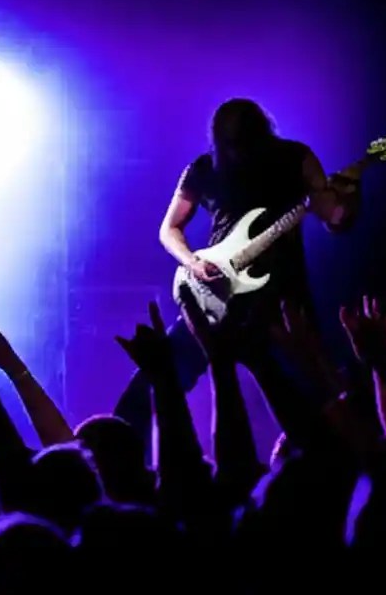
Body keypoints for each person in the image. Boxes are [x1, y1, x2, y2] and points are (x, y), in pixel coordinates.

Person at [113, 97, 361, 454]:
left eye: (245, 142)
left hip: (279, 301)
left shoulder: (295, 158)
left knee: (311, 399)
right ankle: (111, 458)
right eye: (231, 144)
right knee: (154, 383)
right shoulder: (203, 168)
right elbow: (169, 229)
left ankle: (333, 468)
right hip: (217, 295)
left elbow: (334, 219)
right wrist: (193, 262)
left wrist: (347, 204)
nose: (239, 152)